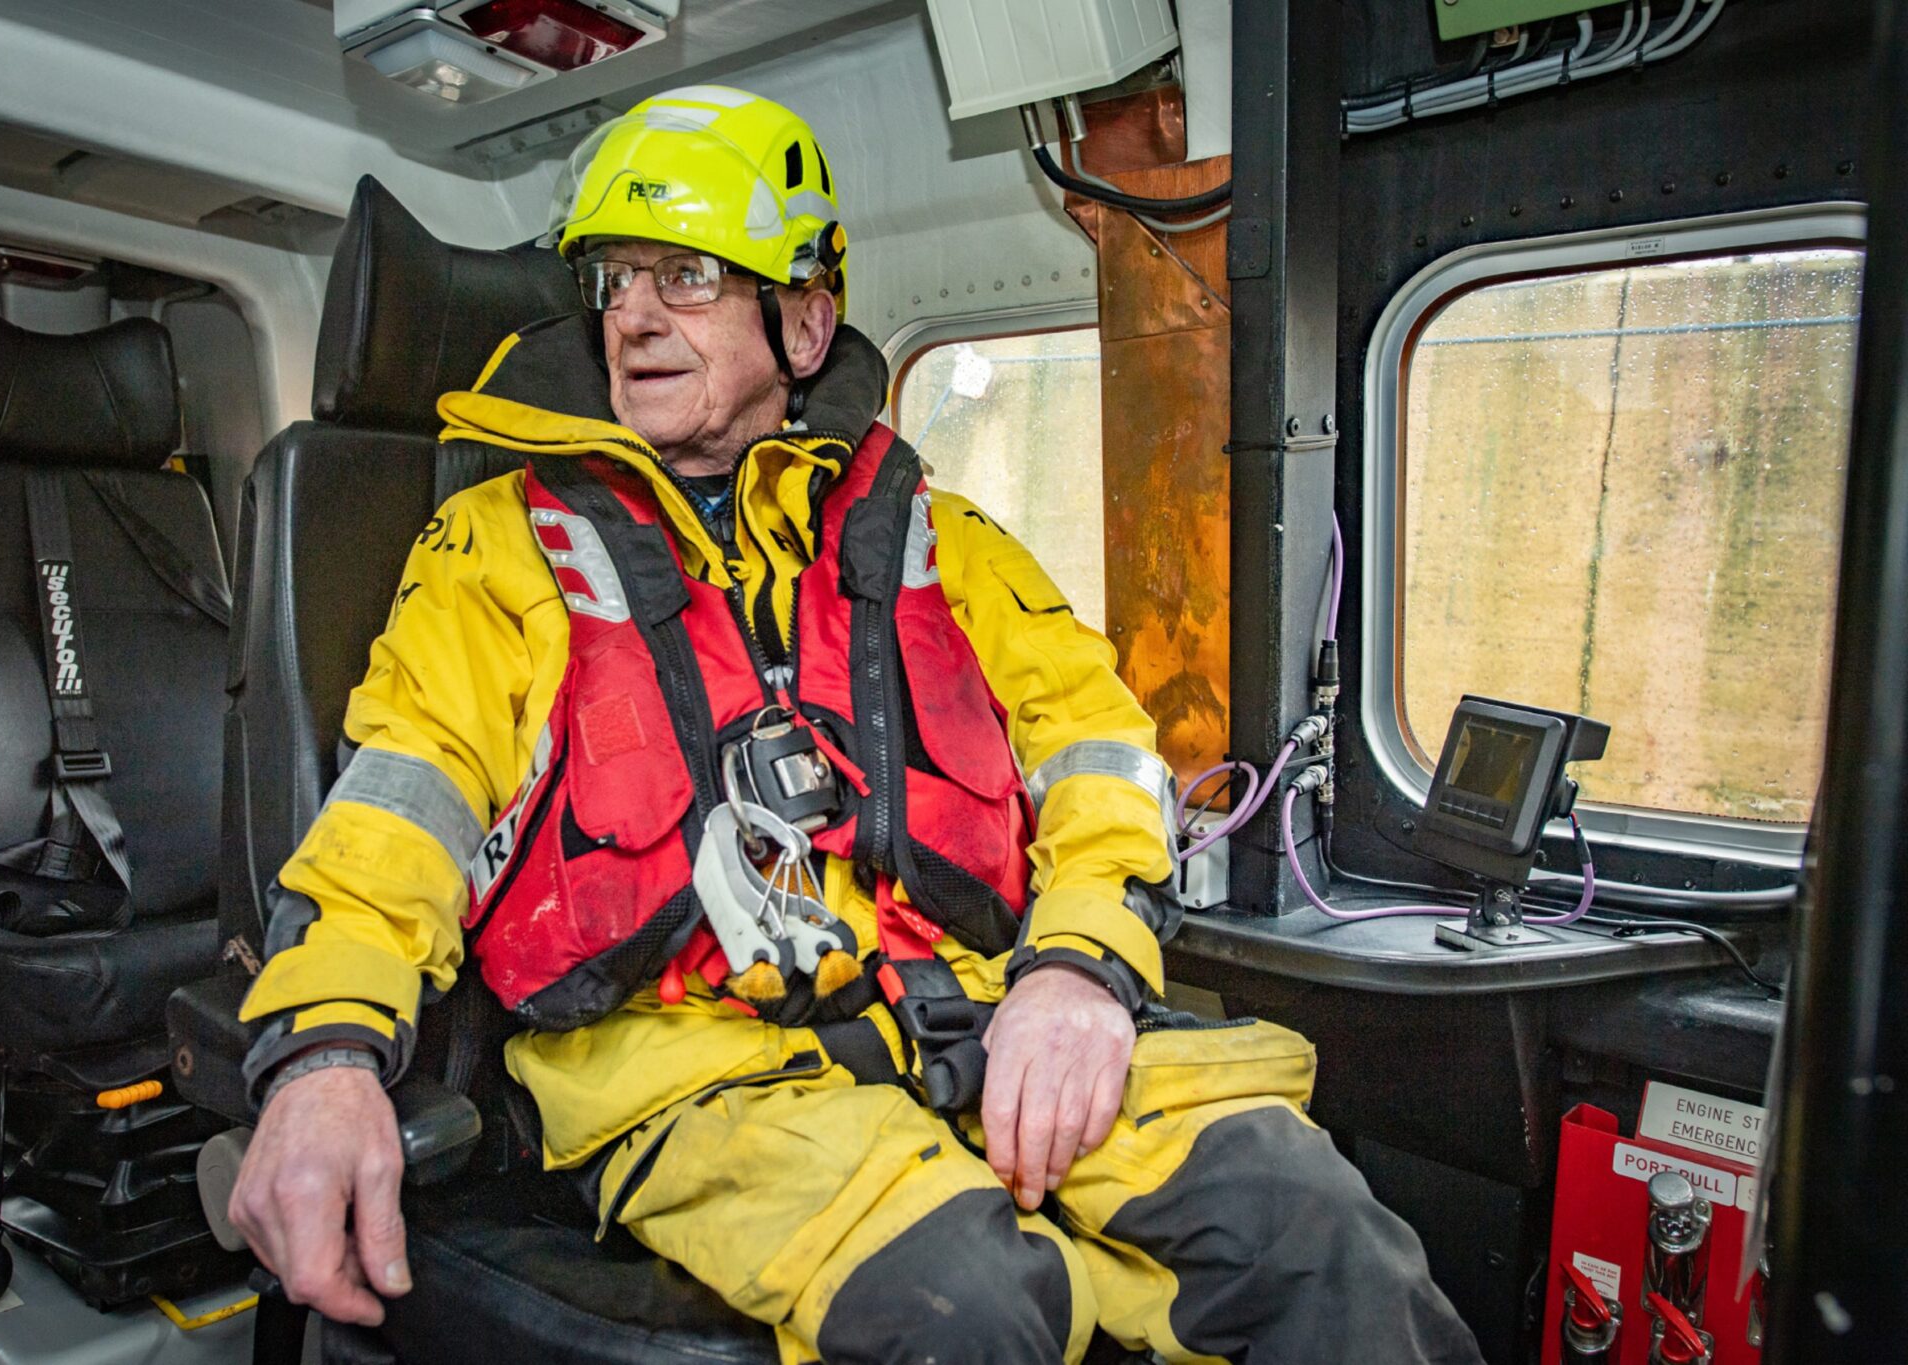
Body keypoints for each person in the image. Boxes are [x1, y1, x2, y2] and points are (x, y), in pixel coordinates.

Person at [226, 85, 1482, 1364]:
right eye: (613, 281)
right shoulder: (498, 548)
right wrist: (324, 1054)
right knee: (969, 1307)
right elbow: (400, 811)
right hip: (692, 1069)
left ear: (806, 321)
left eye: (689, 278)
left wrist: (1080, 968)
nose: (636, 317)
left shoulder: (926, 529)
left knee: (1319, 1236)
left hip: (980, 1008)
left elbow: (1098, 749)